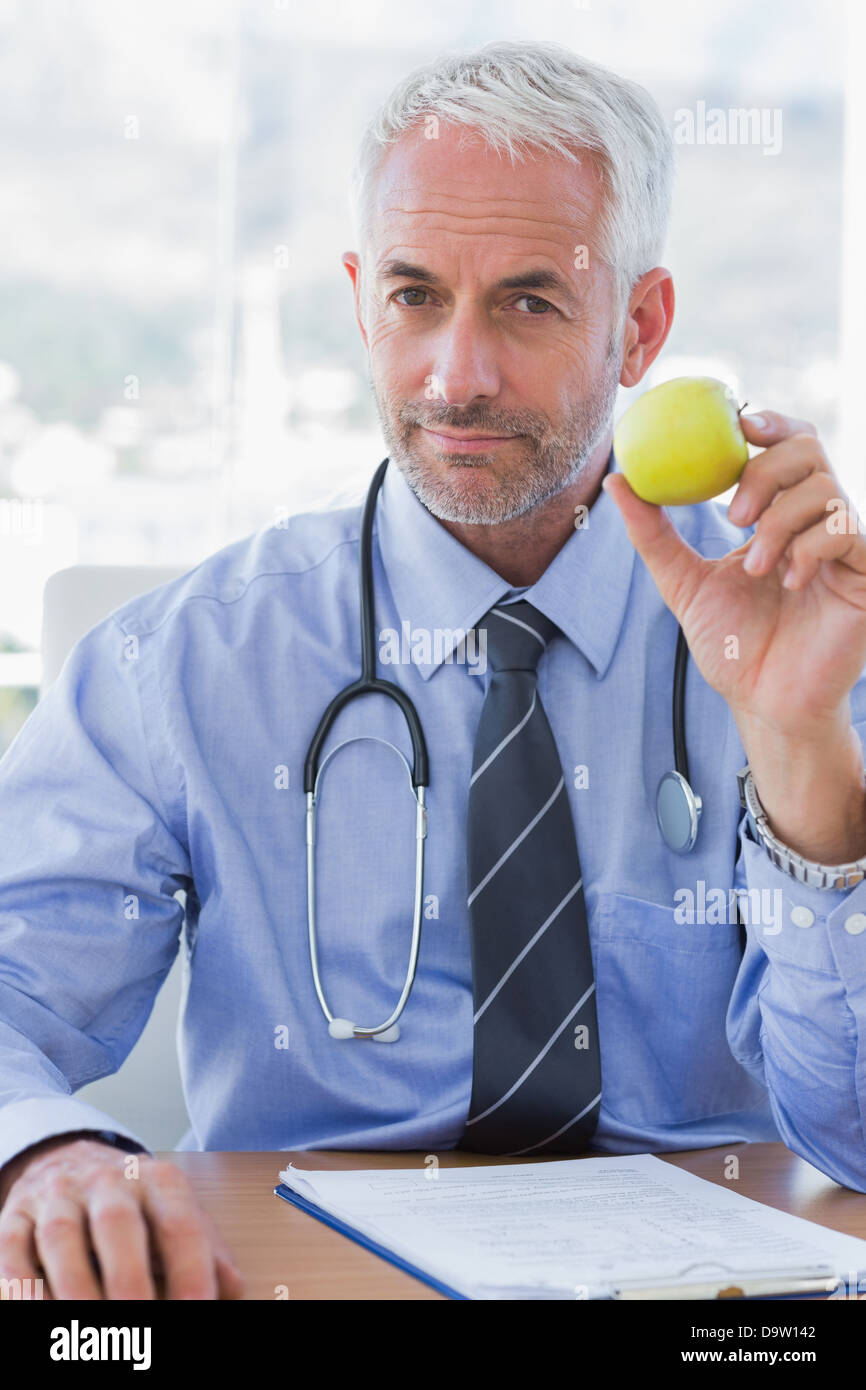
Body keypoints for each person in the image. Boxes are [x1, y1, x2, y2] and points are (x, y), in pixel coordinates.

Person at [3, 39, 866, 1302]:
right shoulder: (186, 663)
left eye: (527, 301)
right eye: (414, 296)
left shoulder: (799, 625)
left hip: (717, 1305)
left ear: (639, 327)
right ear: (361, 302)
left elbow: (847, 1141)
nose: (454, 377)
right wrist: (49, 1150)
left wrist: (798, 748)